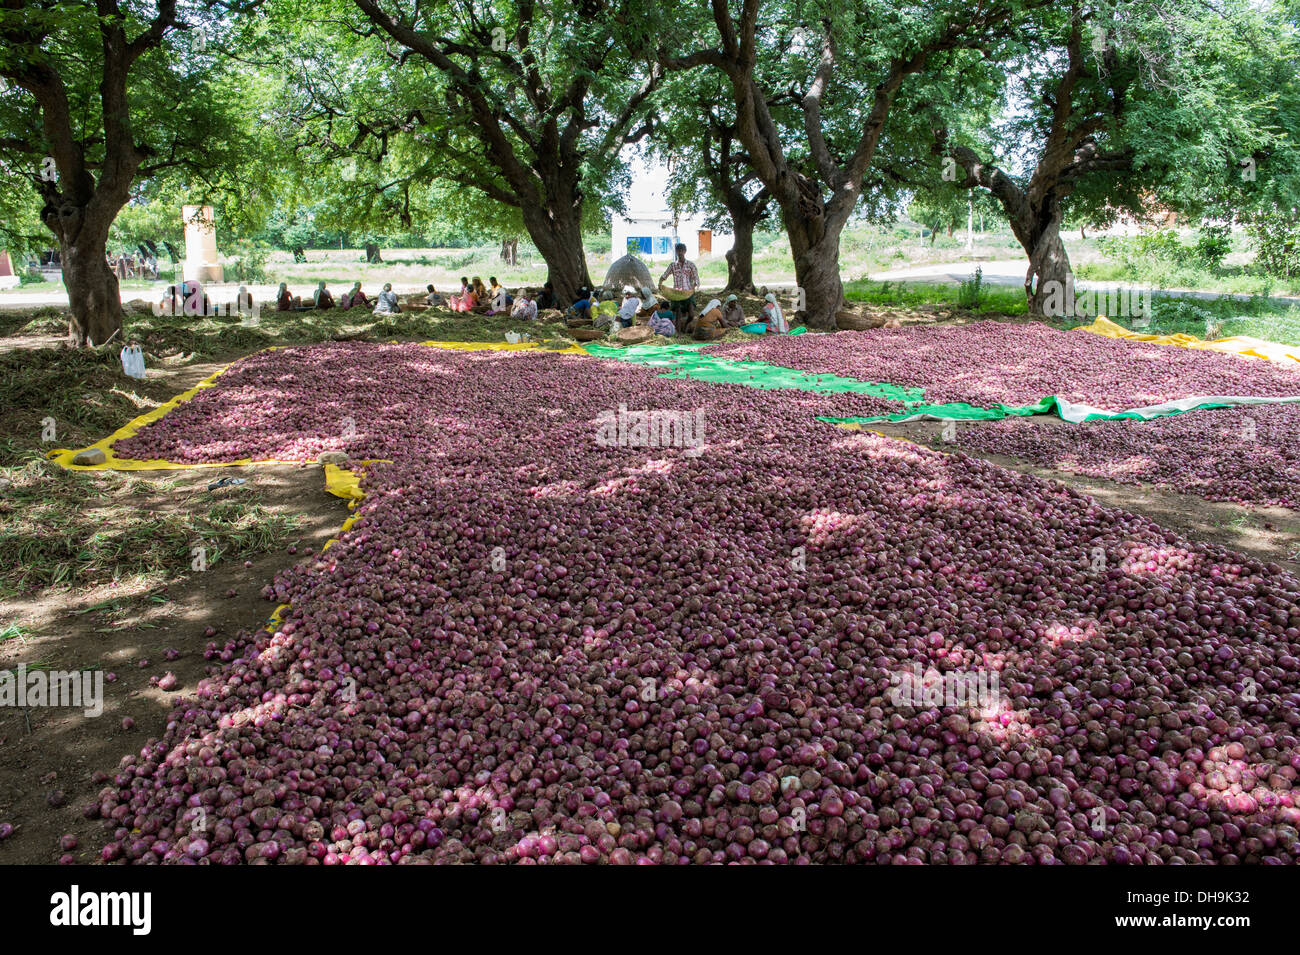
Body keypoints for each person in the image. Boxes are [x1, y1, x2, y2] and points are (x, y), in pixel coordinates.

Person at [659, 242, 700, 333]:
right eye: (678, 250)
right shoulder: (673, 265)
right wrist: (660, 282)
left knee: (691, 314)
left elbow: (696, 278)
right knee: (678, 314)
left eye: (682, 250)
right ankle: (679, 334)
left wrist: (693, 286)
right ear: (676, 252)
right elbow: (665, 275)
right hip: (677, 293)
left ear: (685, 251)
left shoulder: (690, 265)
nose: (680, 252)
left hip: (688, 293)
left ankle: (685, 325)